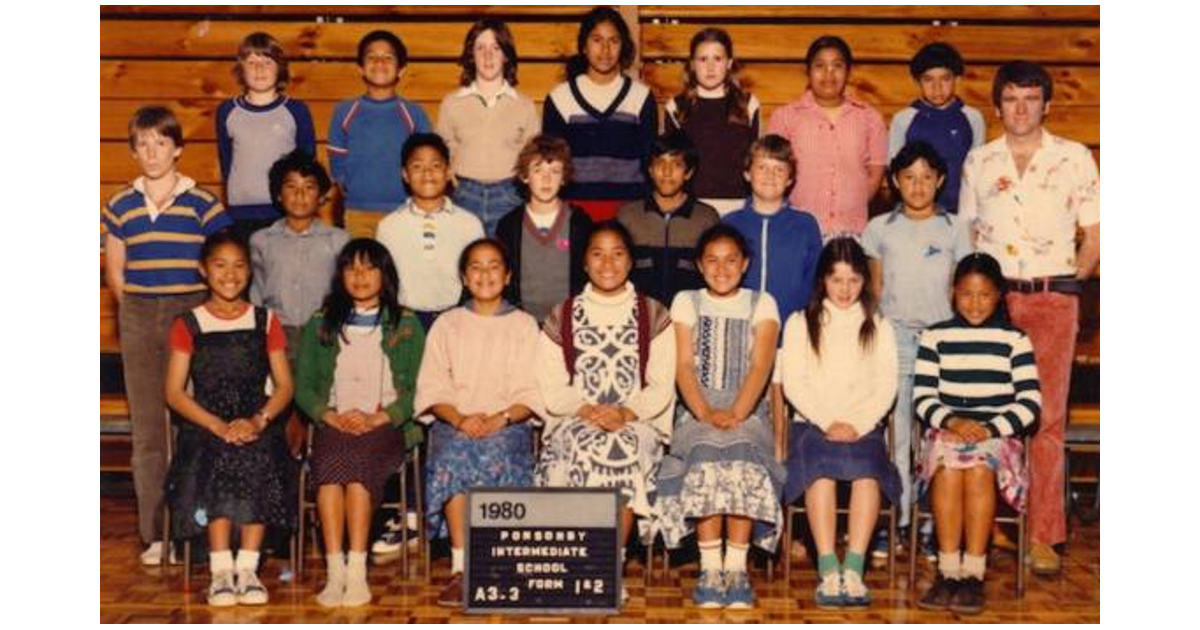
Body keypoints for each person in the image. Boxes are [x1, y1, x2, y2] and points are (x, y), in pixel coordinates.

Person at [958, 60, 1100, 575]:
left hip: (1053, 298)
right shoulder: (979, 161)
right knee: (993, 410)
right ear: (997, 106)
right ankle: (992, 521)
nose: (1021, 108)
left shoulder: (1074, 158)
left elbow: (1095, 233)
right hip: (995, 303)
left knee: (1047, 420)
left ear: (1047, 104)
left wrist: (1068, 284)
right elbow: (969, 236)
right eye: (1011, 98)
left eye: (1031, 98)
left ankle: (1044, 535)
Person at [103, 105, 233, 565]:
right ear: (134, 151)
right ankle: (155, 532)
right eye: (143, 143)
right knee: (149, 429)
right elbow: (116, 272)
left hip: (189, 313)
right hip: (139, 313)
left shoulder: (204, 203)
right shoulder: (120, 205)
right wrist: (136, 308)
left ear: (177, 148)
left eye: (161, 142)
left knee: (193, 422)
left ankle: (192, 530)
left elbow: (221, 263)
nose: (152, 151)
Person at [535, 221, 676, 604]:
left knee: (626, 451)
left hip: (637, 420)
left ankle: (608, 567)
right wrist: (586, 409)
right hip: (575, 418)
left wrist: (626, 413)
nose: (608, 262)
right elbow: (549, 386)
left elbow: (663, 385)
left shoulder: (654, 314)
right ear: (584, 262)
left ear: (630, 262)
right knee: (583, 449)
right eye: (598, 253)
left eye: (618, 253)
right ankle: (582, 562)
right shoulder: (562, 315)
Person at [163, 231, 294, 606]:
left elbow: (284, 385)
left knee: (259, 452)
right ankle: (221, 570)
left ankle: (249, 568)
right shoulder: (188, 323)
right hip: (206, 421)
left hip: (256, 418)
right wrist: (217, 425)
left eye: (239, 266)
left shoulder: (265, 320)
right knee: (215, 453)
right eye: (220, 265)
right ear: (203, 270)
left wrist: (258, 420)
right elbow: (173, 391)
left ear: (250, 273)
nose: (230, 274)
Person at [657, 225, 785, 609]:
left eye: (731, 260)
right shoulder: (685, 301)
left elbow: (761, 365)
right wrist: (705, 412)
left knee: (743, 454)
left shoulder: (763, 303)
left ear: (745, 264)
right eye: (712, 260)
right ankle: (710, 569)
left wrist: (738, 411)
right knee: (705, 454)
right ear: (699, 265)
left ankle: (737, 568)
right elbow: (682, 366)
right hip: (697, 408)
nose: (722, 269)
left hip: (749, 407)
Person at [294, 239, 425, 607]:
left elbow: (422, 387)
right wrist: (328, 415)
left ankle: (357, 570)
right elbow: (302, 385)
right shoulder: (320, 323)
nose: (360, 276)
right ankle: (336, 573)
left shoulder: (408, 324)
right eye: (352, 268)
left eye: (370, 268)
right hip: (334, 424)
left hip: (386, 426)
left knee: (357, 470)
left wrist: (383, 416)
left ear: (385, 275)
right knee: (330, 470)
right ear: (340, 276)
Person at [414, 238, 543, 607]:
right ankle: (460, 567)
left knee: (496, 453)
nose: (485, 274)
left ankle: (495, 563)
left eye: (494, 266)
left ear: (507, 275)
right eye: (476, 267)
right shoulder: (447, 324)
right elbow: (432, 385)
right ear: (463, 277)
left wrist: (501, 418)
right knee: (456, 454)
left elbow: (531, 390)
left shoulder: (523, 325)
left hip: (507, 423)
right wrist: (459, 418)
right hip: (456, 422)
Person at [861, 141, 973, 561]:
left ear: (941, 180)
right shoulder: (878, 229)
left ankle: (932, 525)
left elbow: (960, 288)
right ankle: (896, 522)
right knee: (898, 437)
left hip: (942, 341)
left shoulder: (956, 228)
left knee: (936, 438)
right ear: (894, 181)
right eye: (909, 177)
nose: (918, 185)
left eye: (927, 177)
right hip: (896, 339)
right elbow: (875, 289)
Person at [913, 252, 1041, 615]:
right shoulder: (935, 336)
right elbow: (922, 396)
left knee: (980, 468)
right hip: (947, 432)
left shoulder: (1015, 339)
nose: (975, 303)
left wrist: (987, 429)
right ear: (953, 292)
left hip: (997, 436)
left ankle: (973, 573)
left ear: (999, 294)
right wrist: (952, 423)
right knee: (950, 468)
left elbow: (1029, 402)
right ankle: (948, 570)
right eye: (967, 294)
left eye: (984, 294)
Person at [780, 237, 900, 609]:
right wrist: (828, 421)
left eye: (853, 280)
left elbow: (886, 385)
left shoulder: (879, 325)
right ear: (822, 281)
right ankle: (829, 568)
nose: (845, 289)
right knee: (821, 472)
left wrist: (859, 423)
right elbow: (795, 383)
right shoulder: (800, 322)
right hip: (815, 424)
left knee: (868, 473)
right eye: (836, 280)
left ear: (865, 280)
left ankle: (854, 567)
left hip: (863, 425)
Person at [543, 6, 657, 221]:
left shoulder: (640, 97)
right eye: (597, 40)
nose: (605, 50)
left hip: (629, 213)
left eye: (614, 41)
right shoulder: (560, 99)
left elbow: (648, 165)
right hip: (575, 213)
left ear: (623, 47)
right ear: (584, 46)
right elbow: (553, 165)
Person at [767, 35, 887, 237]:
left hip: (852, 233)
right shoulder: (785, 117)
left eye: (837, 66)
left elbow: (875, 174)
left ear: (848, 71)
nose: (828, 74)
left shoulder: (870, 118)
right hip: (798, 233)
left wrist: (850, 208)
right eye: (820, 66)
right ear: (808, 71)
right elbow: (774, 173)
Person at [437, 19, 540, 237]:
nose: (488, 55)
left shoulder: (524, 105)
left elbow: (532, 155)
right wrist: (451, 175)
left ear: (506, 56)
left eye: (496, 48)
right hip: (465, 194)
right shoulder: (452, 102)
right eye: (480, 48)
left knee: (506, 260)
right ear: (471, 56)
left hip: (509, 195)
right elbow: (443, 146)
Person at [374, 133, 486, 332]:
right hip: (405, 322)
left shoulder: (469, 224)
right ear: (405, 174)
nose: (427, 173)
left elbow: (478, 280)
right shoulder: (389, 226)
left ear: (449, 171)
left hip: (457, 319)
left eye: (436, 166)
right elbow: (384, 283)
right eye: (417, 167)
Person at [328, 30, 433, 238]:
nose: (379, 63)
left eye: (388, 58)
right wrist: (348, 185)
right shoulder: (345, 111)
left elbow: (426, 159)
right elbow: (336, 158)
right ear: (360, 67)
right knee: (362, 268)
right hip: (358, 212)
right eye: (372, 57)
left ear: (401, 69)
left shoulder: (413, 113)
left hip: (403, 210)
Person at [216, 31, 316, 241]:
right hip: (241, 213)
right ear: (240, 68)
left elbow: (307, 165)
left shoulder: (296, 111)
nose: (259, 69)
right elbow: (227, 162)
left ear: (279, 68)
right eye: (252, 62)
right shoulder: (227, 111)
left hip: (284, 211)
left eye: (267, 62)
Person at [495, 134, 594, 322]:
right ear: (524, 176)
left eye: (555, 171)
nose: (546, 179)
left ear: (564, 178)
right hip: (522, 322)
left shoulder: (580, 222)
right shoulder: (509, 225)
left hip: (570, 321)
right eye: (538, 170)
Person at [664, 27, 761, 215]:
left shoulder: (748, 104)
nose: (710, 67)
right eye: (702, 59)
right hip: (692, 208)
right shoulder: (676, 107)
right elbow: (673, 165)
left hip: (738, 206)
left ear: (729, 63)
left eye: (717, 59)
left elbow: (754, 160)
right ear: (692, 64)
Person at [617, 132, 720, 306]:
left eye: (676, 164)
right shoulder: (628, 216)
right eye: (660, 163)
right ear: (650, 170)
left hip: (688, 318)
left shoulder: (706, 218)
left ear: (688, 172)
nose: (667, 172)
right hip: (639, 315)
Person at [887, 42, 986, 214]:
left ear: (957, 79)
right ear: (917, 81)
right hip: (916, 214)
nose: (937, 87)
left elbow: (978, 170)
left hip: (961, 213)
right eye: (928, 79)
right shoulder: (903, 119)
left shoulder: (972, 117)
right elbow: (894, 171)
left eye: (945, 79)